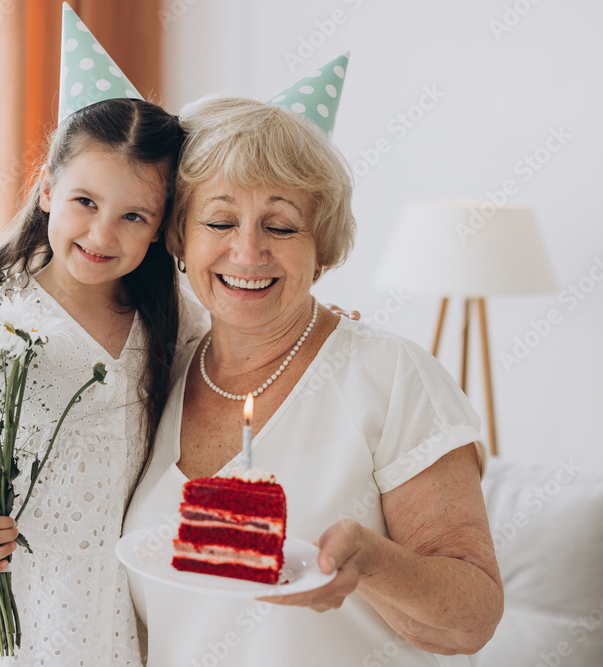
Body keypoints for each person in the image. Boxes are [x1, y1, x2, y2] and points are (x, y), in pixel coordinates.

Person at [120, 95, 503, 665]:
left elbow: (471, 621)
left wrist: (371, 564)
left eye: (280, 225)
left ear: (321, 247)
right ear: (178, 236)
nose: (248, 251)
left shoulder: (391, 375)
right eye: (220, 221)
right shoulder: (155, 374)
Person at [0, 92, 199, 665]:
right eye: (85, 201)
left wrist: (316, 322)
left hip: (105, 604)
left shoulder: (168, 319)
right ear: (48, 190)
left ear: (160, 228)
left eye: (133, 216)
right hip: (10, 597)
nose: (102, 235)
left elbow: (236, 357)